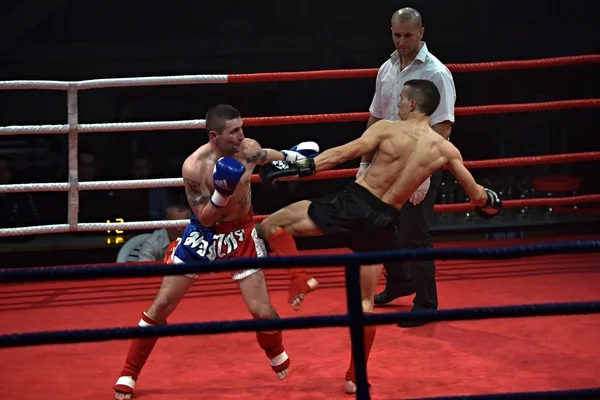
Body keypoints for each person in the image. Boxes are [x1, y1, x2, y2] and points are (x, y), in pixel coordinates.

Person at [257, 80, 501, 394]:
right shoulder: (446, 150)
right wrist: (490, 203)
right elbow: (478, 197)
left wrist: (298, 167)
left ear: (413, 104)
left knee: (271, 226)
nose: (398, 104)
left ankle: (299, 275)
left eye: (401, 99)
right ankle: (355, 375)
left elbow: (341, 154)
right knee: (364, 302)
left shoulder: (388, 129)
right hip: (383, 221)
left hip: (354, 203)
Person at [113, 104, 320, 399]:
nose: (241, 136)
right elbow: (206, 217)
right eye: (233, 131)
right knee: (162, 305)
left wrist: (292, 157)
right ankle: (129, 372)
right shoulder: (194, 167)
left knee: (263, 312)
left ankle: (275, 351)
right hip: (204, 234)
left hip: (240, 233)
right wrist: (222, 192)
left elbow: (265, 155)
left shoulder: (248, 149)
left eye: (241, 128)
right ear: (215, 136)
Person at [366, 8, 457, 322]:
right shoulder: (386, 69)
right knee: (382, 224)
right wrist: (366, 159)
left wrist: (422, 172)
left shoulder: (436, 73)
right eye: (396, 34)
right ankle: (400, 282)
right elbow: (377, 116)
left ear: (421, 33)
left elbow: (443, 127)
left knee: (415, 232)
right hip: (388, 162)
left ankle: (426, 304)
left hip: (420, 163)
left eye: (407, 35)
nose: (401, 41)